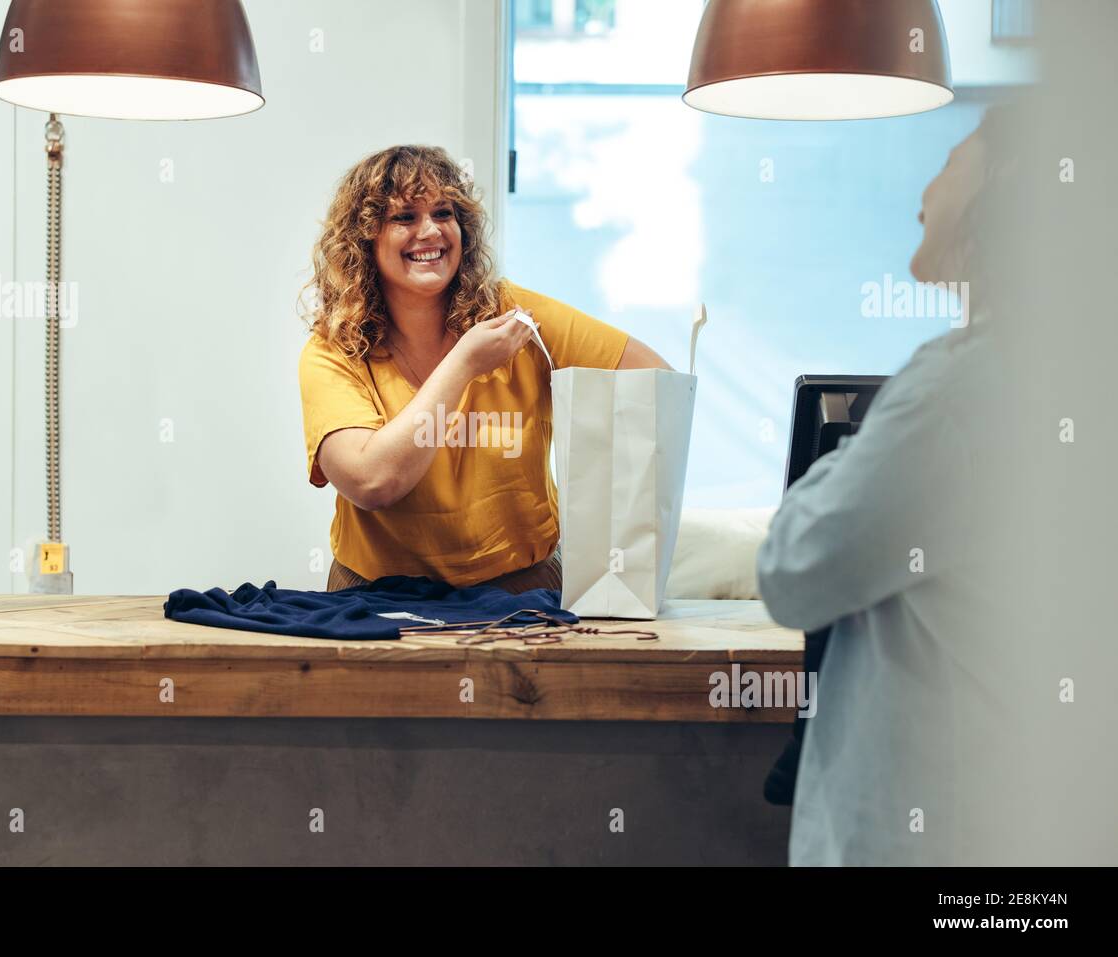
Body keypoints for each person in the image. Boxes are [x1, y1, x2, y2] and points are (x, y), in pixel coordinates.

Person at [756, 105, 1032, 865]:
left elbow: (794, 568)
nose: (925, 187)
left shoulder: (953, 391)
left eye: (951, 161)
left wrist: (847, 455)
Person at [298, 145, 670, 593]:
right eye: (404, 218)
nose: (430, 231)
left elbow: (658, 382)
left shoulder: (518, 317)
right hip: (373, 597)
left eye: (443, 212)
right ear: (365, 238)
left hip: (520, 590)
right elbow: (372, 482)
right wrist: (465, 362)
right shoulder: (334, 350)